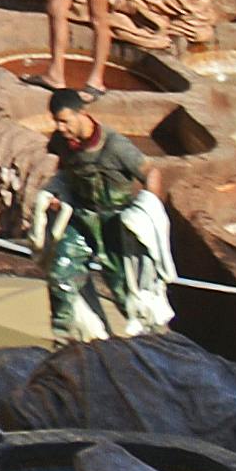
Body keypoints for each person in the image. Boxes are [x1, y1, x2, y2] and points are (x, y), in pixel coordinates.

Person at [36, 106, 170, 343]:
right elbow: (63, 170)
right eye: (56, 122)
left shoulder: (115, 146)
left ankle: (156, 345)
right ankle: (69, 343)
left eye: (65, 121)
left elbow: (152, 172)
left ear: (82, 113)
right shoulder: (62, 141)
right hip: (82, 220)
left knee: (124, 290)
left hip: (114, 224)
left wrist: (150, 213)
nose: (60, 128)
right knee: (61, 273)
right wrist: (59, 194)